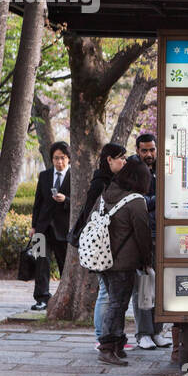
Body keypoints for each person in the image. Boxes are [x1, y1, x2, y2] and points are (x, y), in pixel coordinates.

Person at [97, 159, 154, 366]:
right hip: (124, 261)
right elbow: (143, 233)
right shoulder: (136, 200)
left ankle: (118, 343)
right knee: (117, 304)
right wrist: (147, 259)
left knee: (115, 302)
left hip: (102, 258)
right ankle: (107, 346)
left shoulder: (106, 195)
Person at [70, 143, 127, 346]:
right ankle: (101, 336)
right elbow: (89, 213)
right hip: (100, 244)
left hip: (106, 244)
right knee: (105, 291)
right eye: (121, 158)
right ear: (109, 159)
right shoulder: (101, 182)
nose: (124, 161)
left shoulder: (110, 180)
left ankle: (107, 335)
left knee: (108, 292)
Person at [128, 133, 168, 350]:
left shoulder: (163, 169)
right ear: (137, 150)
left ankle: (158, 330)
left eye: (152, 150)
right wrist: (160, 200)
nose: (149, 154)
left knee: (161, 285)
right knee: (143, 285)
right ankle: (143, 332)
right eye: (144, 150)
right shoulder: (133, 172)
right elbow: (137, 201)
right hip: (142, 235)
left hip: (163, 234)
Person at [31, 141, 73, 311]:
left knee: (64, 264)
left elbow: (81, 204)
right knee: (41, 263)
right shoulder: (45, 176)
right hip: (42, 229)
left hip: (63, 230)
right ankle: (42, 298)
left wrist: (66, 200)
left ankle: (65, 298)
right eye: (56, 158)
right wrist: (34, 227)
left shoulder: (74, 177)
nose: (59, 162)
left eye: (62, 158)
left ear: (68, 159)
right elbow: (37, 203)